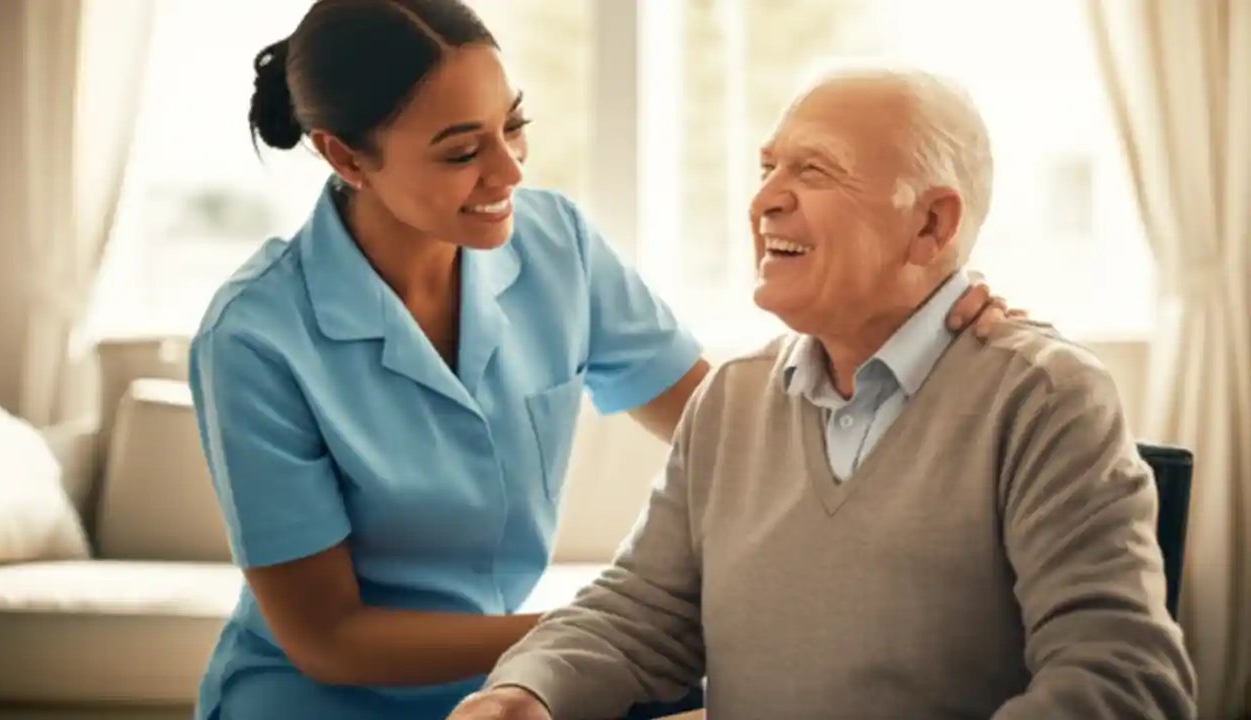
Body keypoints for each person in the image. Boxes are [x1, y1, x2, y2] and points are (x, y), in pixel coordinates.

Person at [188, 2, 1017, 718]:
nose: (509, 169)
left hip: (514, 687)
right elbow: (331, 639)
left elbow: (742, 434)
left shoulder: (555, 246)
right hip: (321, 706)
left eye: (514, 125)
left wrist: (926, 307)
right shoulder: (256, 335)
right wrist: (607, 637)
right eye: (459, 150)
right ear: (344, 158)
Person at [448, 65, 1198, 720]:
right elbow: (642, 612)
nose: (764, 200)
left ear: (931, 224)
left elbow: (1121, 680)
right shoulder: (731, 399)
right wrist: (525, 693)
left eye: (814, 171)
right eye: (768, 168)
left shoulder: (1043, 398)